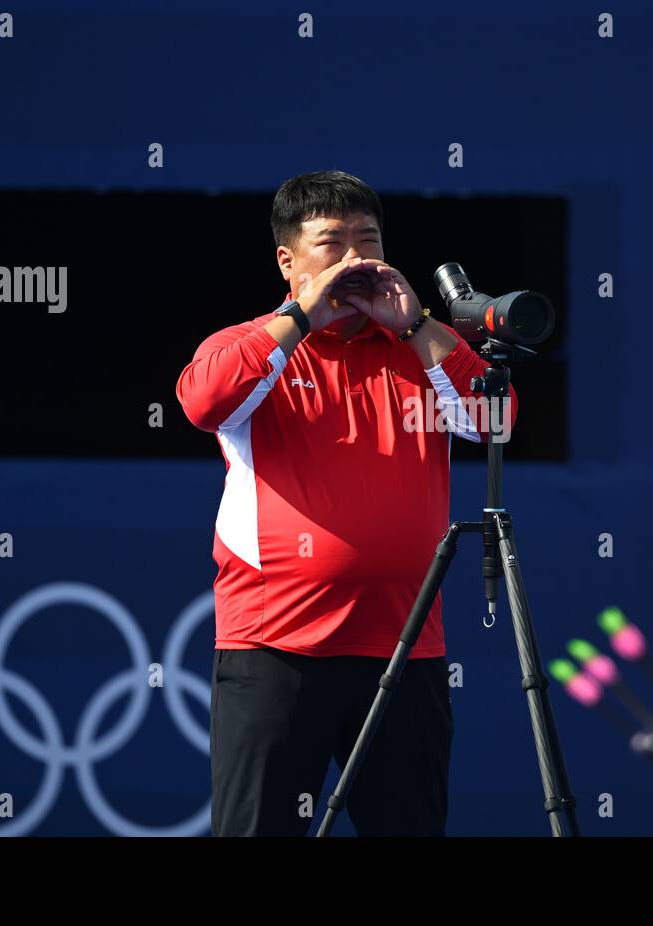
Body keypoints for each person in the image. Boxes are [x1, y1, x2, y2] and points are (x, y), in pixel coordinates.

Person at [176, 170, 516, 836]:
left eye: (369, 240)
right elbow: (202, 402)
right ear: (287, 260)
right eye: (332, 243)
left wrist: (417, 323)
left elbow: (495, 421)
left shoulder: (419, 347)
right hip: (276, 647)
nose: (357, 258)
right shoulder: (249, 345)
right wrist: (300, 316)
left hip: (404, 647)